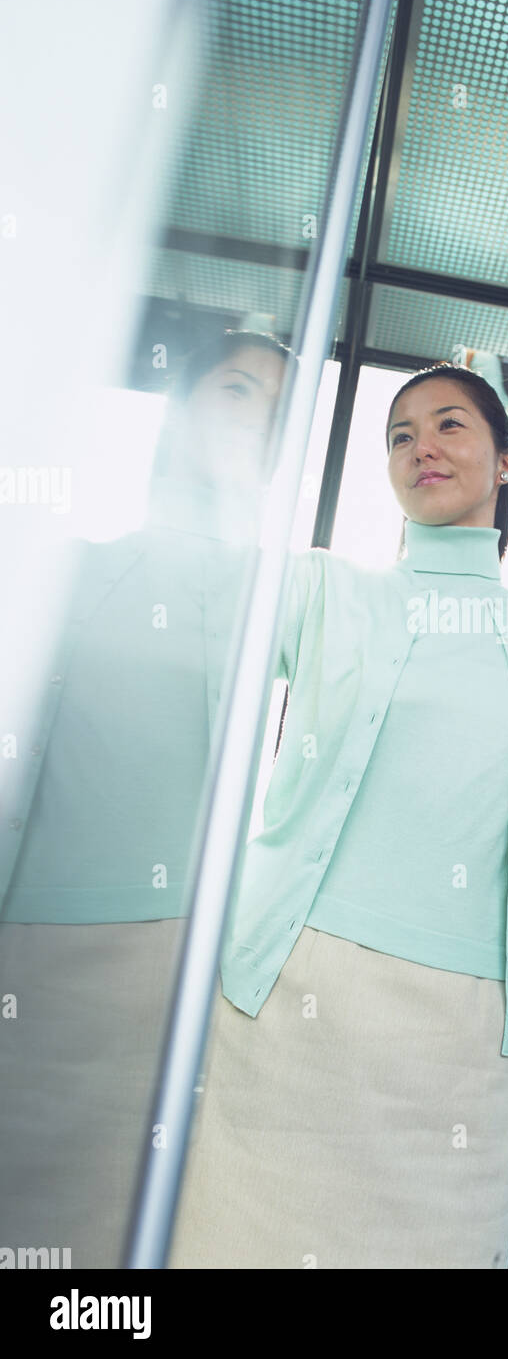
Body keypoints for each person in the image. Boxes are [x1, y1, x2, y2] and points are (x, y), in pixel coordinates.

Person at [167, 360, 508, 1269]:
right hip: (294, 1009)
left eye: (449, 425)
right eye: (400, 435)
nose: (422, 448)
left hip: (463, 1048)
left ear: (506, 461)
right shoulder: (327, 589)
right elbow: (195, 604)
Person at [0, 329, 292, 1269]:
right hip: (47, 967)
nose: (260, 417)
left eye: (281, 406)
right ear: (184, 408)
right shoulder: (76, 568)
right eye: (241, 389)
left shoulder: (291, 594)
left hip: (192, 978)